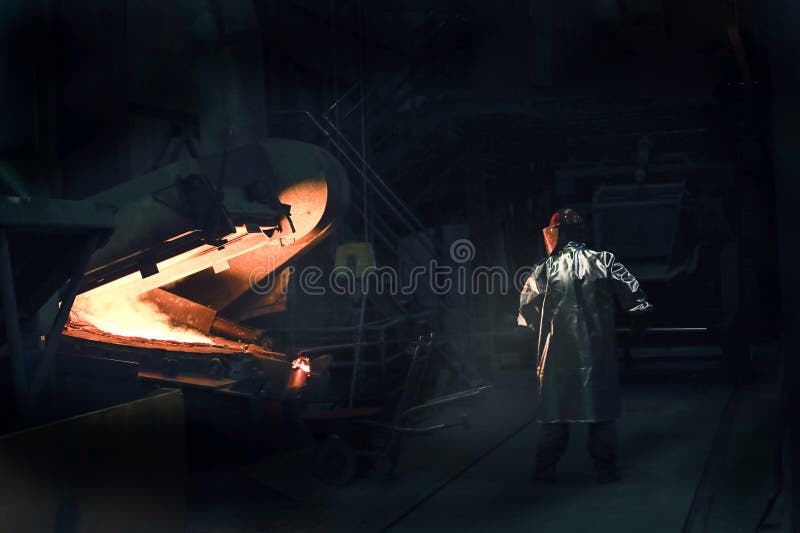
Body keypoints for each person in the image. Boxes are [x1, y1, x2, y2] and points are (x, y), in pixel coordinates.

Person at [517, 208, 653, 483]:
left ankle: (545, 470)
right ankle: (606, 470)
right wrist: (638, 322)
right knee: (599, 412)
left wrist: (536, 331)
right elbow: (634, 296)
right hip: (596, 353)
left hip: (554, 357)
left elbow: (527, 309)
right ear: (581, 233)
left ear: (554, 233)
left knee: (555, 414)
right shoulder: (604, 261)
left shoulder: (543, 269)